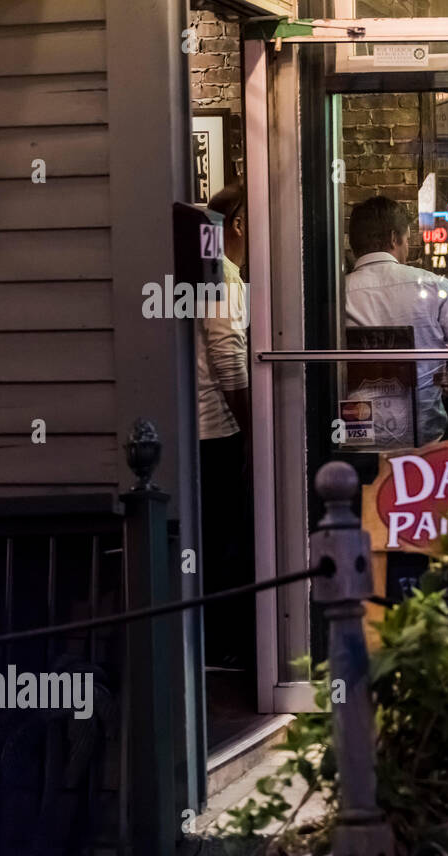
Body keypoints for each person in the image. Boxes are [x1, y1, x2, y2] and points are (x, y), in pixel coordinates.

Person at [344, 196, 448, 445]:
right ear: (393, 239)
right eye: (408, 240)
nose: (408, 248)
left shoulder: (336, 294)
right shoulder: (434, 287)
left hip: (356, 436)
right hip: (425, 440)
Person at [197, 185, 254, 670]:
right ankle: (221, 647)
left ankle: (218, 642)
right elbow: (226, 356)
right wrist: (253, 425)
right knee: (224, 540)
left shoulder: (213, 273)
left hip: (207, 427)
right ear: (237, 224)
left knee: (217, 540)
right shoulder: (225, 277)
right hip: (216, 428)